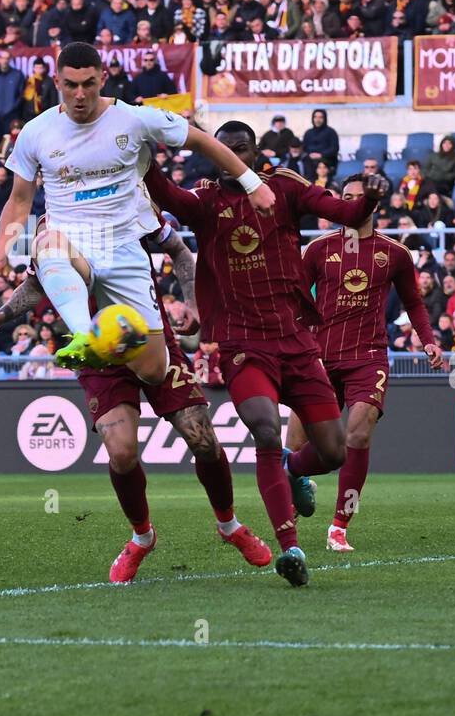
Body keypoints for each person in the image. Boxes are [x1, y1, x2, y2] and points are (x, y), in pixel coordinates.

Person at [0, 213, 273, 583]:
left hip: (149, 337)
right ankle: (142, 537)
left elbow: (178, 249)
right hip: (96, 351)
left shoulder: (130, 200)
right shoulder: (52, 221)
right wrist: (2, 314)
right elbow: (38, 281)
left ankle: (229, 525)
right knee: (122, 453)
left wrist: (192, 303)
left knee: (201, 438)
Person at [143, 121, 386, 587]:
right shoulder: (206, 201)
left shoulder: (286, 188)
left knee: (334, 450)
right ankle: (289, 547)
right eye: (223, 149)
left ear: (256, 151)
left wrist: (371, 197)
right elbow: (166, 195)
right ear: (214, 152)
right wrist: (139, 147)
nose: (233, 156)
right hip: (241, 343)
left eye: (241, 149)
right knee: (264, 429)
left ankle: (297, 472)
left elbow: (345, 211)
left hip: (295, 339)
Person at [0, 42, 277, 384]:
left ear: (102, 78)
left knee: (154, 372)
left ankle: (111, 337)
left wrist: (252, 183)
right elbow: (20, 200)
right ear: (57, 83)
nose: (80, 94)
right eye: (71, 85)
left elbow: (202, 141)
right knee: (47, 240)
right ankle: (87, 335)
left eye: (88, 84)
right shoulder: (35, 132)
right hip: (71, 246)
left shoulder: (135, 118)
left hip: (124, 248)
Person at [285, 175, 444, 553]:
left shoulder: (395, 254)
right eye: (346, 196)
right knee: (295, 445)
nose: (353, 202)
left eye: (360, 196)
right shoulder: (318, 250)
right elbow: (293, 298)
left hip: (368, 357)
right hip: (318, 358)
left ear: (374, 203)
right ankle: (288, 505)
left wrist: (429, 340)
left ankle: (339, 526)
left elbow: (414, 303)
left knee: (358, 433)